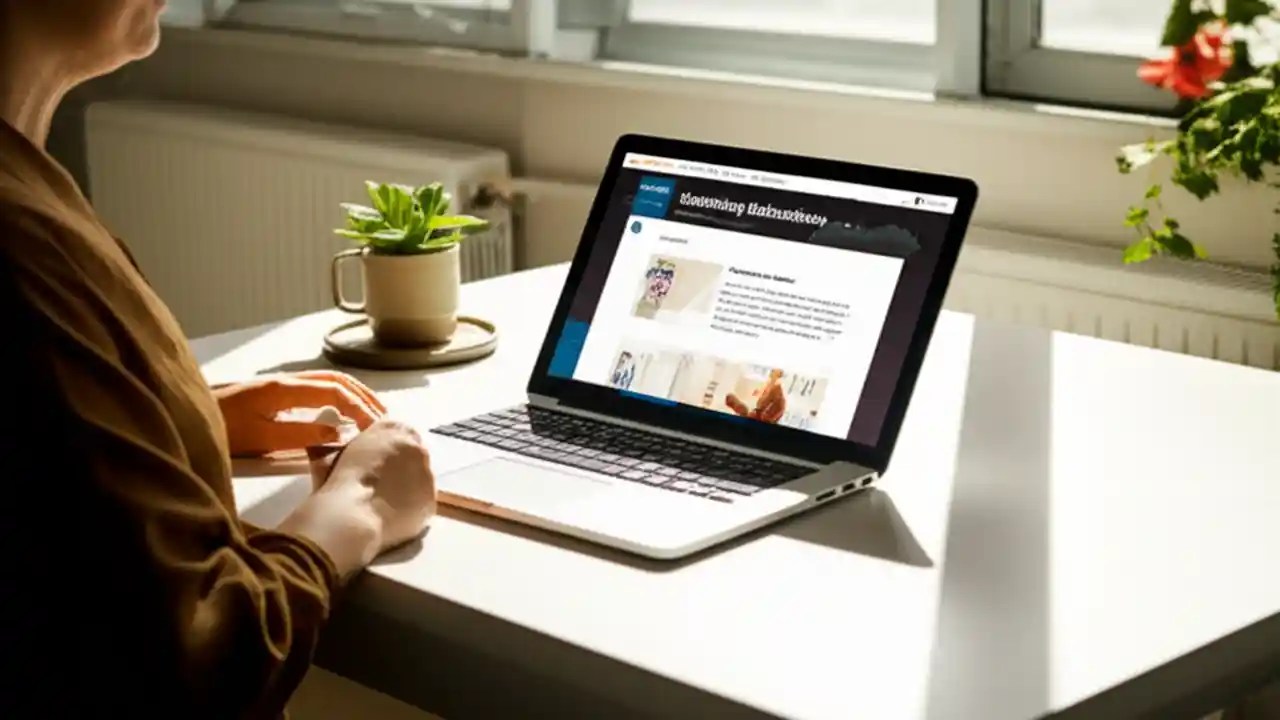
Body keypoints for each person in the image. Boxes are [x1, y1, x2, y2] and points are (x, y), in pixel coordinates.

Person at [0, 2, 437, 717]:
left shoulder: (26, 186)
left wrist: (178, 413)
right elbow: (190, 661)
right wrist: (356, 510)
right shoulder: (17, 245)